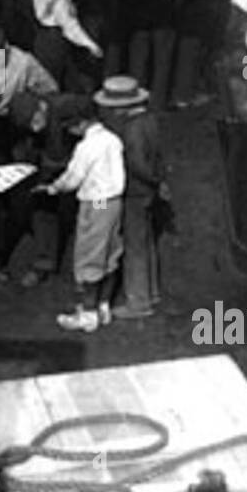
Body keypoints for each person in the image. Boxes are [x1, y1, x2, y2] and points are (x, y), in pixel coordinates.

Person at [37, 104, 125, 332]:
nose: (71, 132)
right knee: (110, 256)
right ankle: (103, 306)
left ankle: (87, 315)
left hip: (96, 204)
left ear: (82, 123)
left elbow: (73, 178)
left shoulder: (86, 147)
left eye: (72, 127)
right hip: (114, 203)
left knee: (89, 261)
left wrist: (53, 188)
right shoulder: (113, 139)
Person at [97, 76, 170, 319]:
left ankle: (138, 302)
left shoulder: (131, 129)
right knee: (147, 240)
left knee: (134, 245)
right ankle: (151, 290)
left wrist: (151, 179)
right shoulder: (150, 120)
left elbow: (137, 162)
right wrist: (159, 182)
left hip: (134, 192)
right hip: (148, 192)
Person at [8, 90, 91, 290]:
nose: (35, 129)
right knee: (42, 207)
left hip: (82, 167)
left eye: (35, 122)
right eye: (30, 126)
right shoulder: (30, 124)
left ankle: (91, 270)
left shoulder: (68, 106)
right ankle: (43, 262)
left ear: (41, 108)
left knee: (96, 212)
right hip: (51, 168)